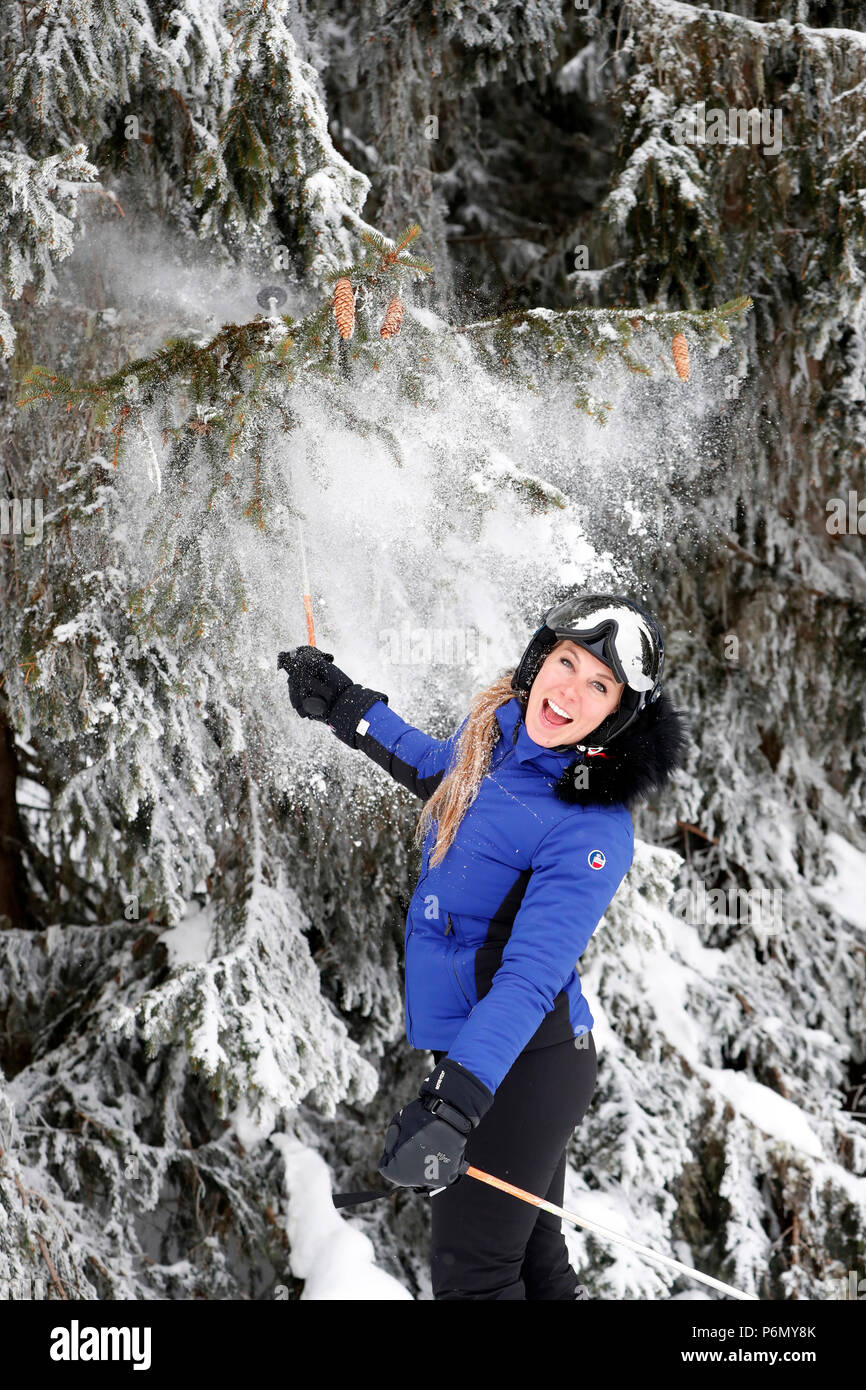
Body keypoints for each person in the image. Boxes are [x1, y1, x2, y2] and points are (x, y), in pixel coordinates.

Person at [279, 593, 690, 1300]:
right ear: (539, 660)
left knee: (474, 1277)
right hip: (504, 1059)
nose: (571, 690)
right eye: (567, 662)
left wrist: (456, 1104)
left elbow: (531, 976)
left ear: (617, 714)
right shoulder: (499, 741)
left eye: (600, 685)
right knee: (533, 1263)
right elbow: (441, 772)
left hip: (523, 1066)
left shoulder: (590, 825)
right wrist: (349, 708)